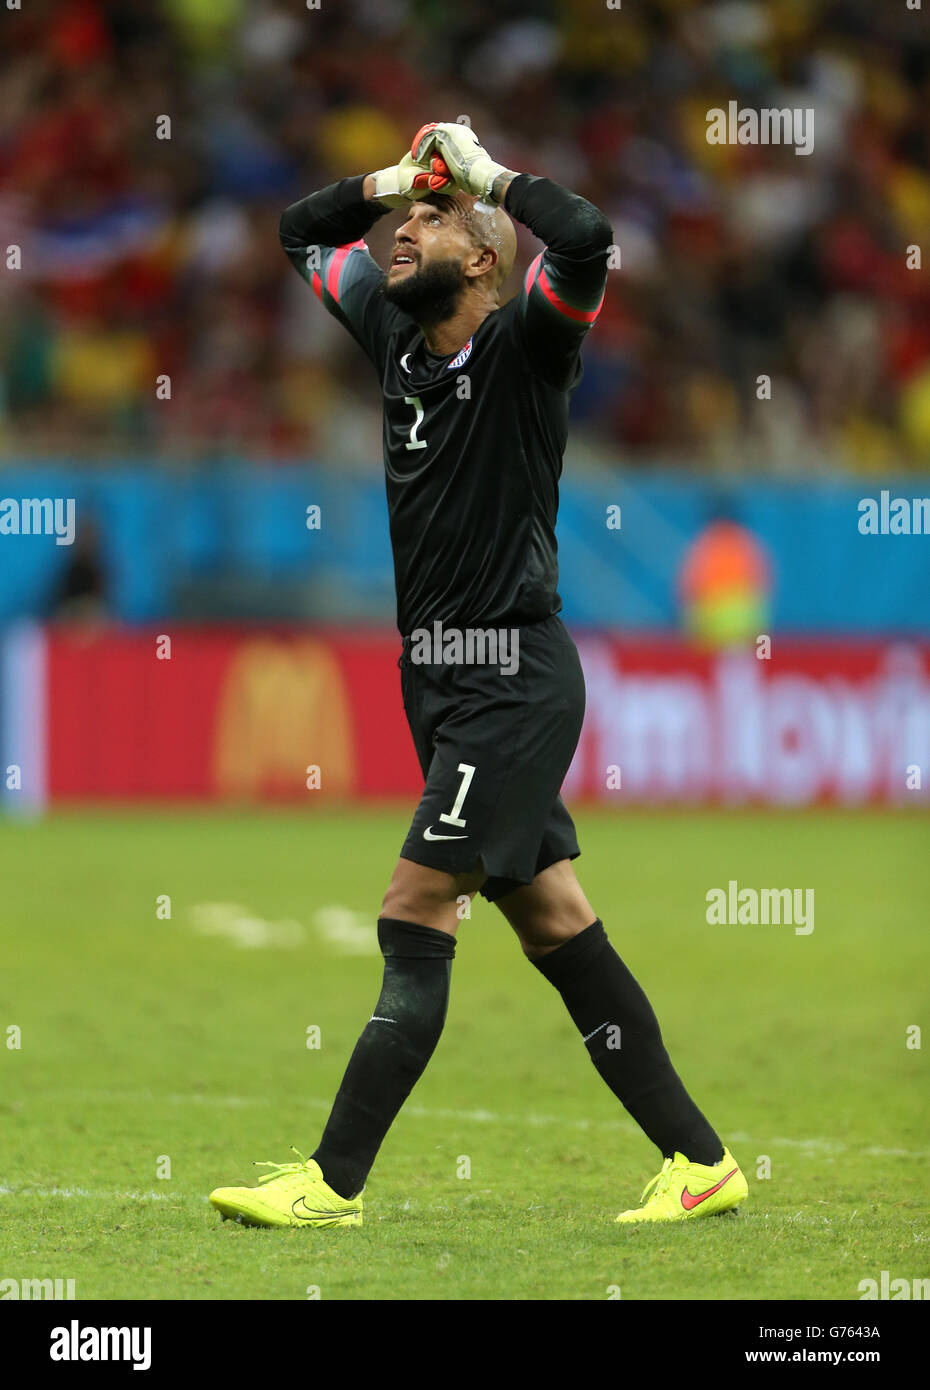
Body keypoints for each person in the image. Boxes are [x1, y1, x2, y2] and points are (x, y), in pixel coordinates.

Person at [209, 122, 748, 1228]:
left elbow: (589, 241)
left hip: (512, 675)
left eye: (430, 222)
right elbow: (297, 232)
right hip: (442, 685)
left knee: (416, 903)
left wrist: (489, 175)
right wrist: (395, 177)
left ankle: (331, 1181)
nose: (402, 230)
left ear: (488, 260)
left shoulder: (526, 349)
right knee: (555, 921)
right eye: (406, 219)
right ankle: (702, 1162)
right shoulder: (386, 335)